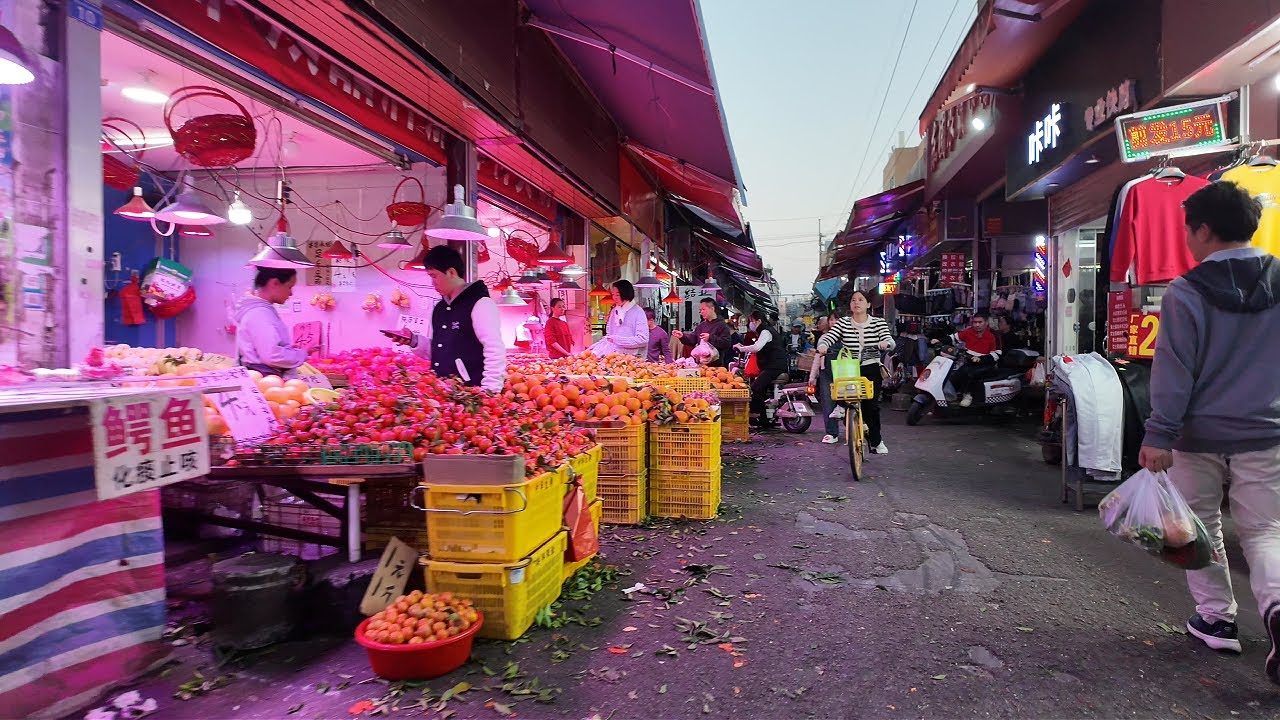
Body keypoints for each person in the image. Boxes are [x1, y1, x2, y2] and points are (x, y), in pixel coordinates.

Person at [1137, 181, 1280, 673]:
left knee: (1198, 528)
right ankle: (1277, 608)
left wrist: (1158, 434)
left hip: (1196, 437)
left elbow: (1175, 370)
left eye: (1188, 230)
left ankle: (1217, 621)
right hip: (1268, 432)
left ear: (1203, 229)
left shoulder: (1186, 291)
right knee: (1266, 531)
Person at [389, 245, 505, 391]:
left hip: (472, 395)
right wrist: (413, 341)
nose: (432, 283)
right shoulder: (440, 309)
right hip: (444, 394)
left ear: (451, 272)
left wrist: (490, 391)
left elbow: (494, 349)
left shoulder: (480, 304)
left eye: (434, 276)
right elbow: (440, 349)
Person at [816, 290, 894, 452]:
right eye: (853, 300)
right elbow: (829, 337)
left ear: (868, 304)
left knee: (871, 407)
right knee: (843, 393)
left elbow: (889, 340)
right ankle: (842, 406)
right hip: (849, 367)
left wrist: (885, 344)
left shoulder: (878, 323)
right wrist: (823, 346)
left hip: (871, 366)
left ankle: (876, 442)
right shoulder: (843, 323)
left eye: (860, 299)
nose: (856, 302)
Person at [234, 267, 314, 378]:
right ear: (275, 283)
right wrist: (301, 354)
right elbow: (272, 356)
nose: (291, 293)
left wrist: (288, 349)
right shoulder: (260, 313)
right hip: (266, 383)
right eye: (289, 287)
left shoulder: (260, 311)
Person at [735, 310, 788, 428]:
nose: (751, 324)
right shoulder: (766, 331)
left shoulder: (765, 331)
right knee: (761, 390)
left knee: (755, 388)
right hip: (773, 365)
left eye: (752, 321)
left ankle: (762, 418)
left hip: (774, 366)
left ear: (758, 321)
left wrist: (742, 348)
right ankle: (765, 417)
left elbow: (756, 347)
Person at [939, 313, 1001, 407]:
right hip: (970, 362)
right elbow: (954, 338)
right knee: (955, 374)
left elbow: (997, 354)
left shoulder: (993, 335)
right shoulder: (969, 331)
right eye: (975, 322)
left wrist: (980, 359)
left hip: (987, 364)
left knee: (967, 373)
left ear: (986, 322)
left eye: (980, 322)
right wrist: (939, 341)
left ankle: (968, 395)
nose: (977, 325)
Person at [674, 297, 733, 366]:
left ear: (712, 309)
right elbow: (692, 340)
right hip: (701, 364)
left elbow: (726, 343)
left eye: (703, 309)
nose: (701, 312)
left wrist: (710, 337)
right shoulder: (701, 325)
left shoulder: (722, 325)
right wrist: (682, 336)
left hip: (716, 365)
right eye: (700, 310)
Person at [601, 280, 648, 357]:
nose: (614, 298)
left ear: (625, 294)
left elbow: (643, 339)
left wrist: (617, 340)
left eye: (617, 295)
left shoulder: (638, 312)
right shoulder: (614, 311)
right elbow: (609, 333)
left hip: (633, 358)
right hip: (613, 357)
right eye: (613, 294)